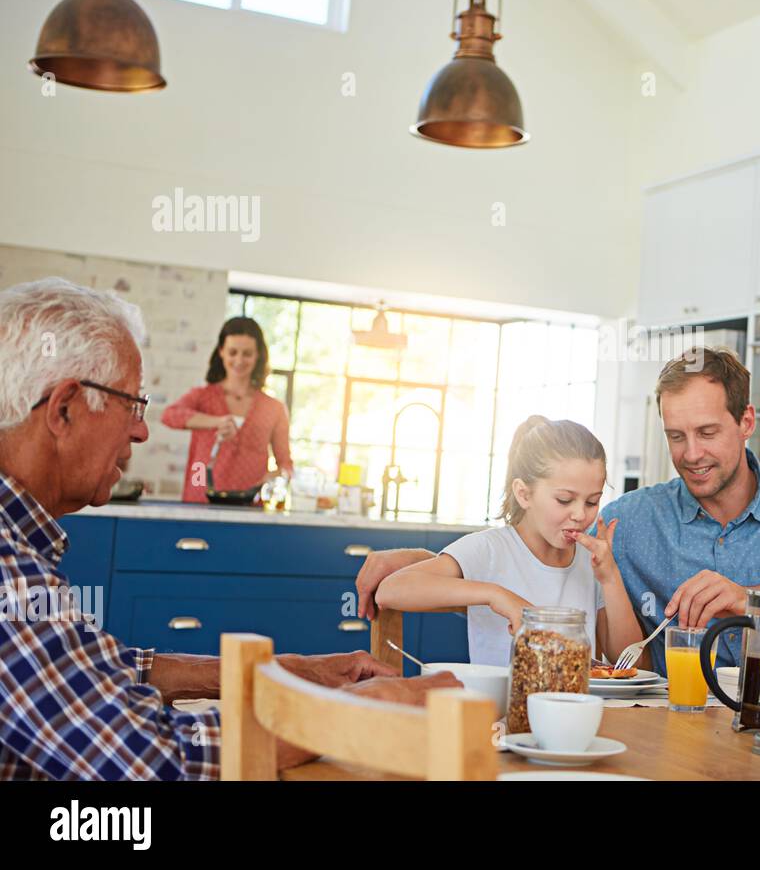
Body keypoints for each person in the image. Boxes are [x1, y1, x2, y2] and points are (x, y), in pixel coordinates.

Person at [0, 278, 454, 780]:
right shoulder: (8, 569)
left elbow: (101, 670)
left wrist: (294, 672)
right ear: (64, 409)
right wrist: (366, 709)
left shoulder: (19, 550)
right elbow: (157, 762)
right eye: (132, 404)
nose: (141, 429)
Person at [355, 347, 760, 677]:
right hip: (668, 722)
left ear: (746, 420)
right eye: (675, 436)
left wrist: (744, 598)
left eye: (707, 432)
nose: (691, 453)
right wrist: (414, 558)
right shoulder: (631, 518)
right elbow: (540, 546)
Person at [374, 416, 643, 666]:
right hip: (497, 715)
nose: (580, 514)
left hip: (574, 715)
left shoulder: (590, 563)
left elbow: (630, 661)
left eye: (592, 501)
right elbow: (391, 589)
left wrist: (610, 579)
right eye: (564, 500)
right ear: (524, 494)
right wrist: (496, 595)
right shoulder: (490, 550)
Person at [161, 316, 292, 502]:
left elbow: (286, 465)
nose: (239, 360)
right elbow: (169, 415)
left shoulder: (275, 408)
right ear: (221, 351)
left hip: (249, 505)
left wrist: (275, 476)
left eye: (247, 353)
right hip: (199, 500)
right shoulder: (202, 396)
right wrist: (216, 421)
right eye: (232, 352)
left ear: (258, 356)